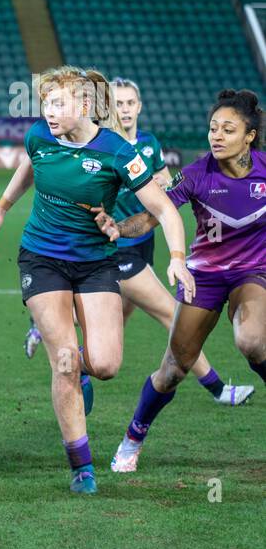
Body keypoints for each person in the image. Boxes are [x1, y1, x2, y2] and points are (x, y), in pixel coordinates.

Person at [0, 66, 194, 495]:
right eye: (46, 103)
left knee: (106, 365)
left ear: (83, 105)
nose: (49, 112)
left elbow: (167, 209)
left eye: (58, 104)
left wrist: (176, 258)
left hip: (97, 262)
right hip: (42, 259)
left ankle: (79, 364)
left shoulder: (117, 151)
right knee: (62, 359)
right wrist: (1, 209)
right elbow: (29, 165)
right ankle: (81, 466)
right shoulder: (40, 135)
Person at [23, 77, 253, 406]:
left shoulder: (148, 143)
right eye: (119, 103)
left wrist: (165, 181)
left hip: (145, 242)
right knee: (172, 314)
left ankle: (51, 332)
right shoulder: (104, 145)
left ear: (140, 106)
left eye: (131, 103)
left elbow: (163, 188)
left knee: (116, 320)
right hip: (119, 249)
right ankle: (219, 389)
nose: (125, 109)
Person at [94, 89, 266, 472]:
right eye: (212, 128)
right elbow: (151, 217)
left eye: (228, 129)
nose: (216, 136)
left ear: (250, 135)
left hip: (251, 273)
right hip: (202, 276)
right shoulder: (196, 173)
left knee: (252, 340)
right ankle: (132, 438)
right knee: (174, 369)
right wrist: (118, 229)